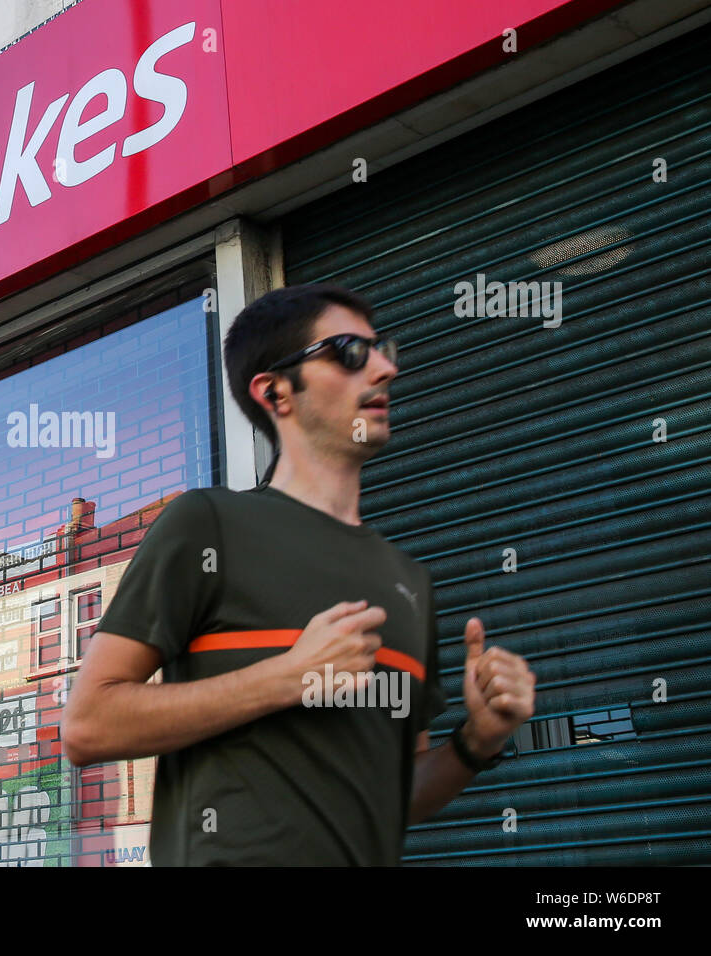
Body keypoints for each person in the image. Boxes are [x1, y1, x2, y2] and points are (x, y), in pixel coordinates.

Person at [61, 284, 536, 865]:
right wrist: (290, 676)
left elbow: (396, 794)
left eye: (382, 349)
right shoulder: (207, 525)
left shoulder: (410, 581)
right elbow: (87, 726)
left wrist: (476, 740)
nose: (385, 368)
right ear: (275, 390)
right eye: (350, 353)